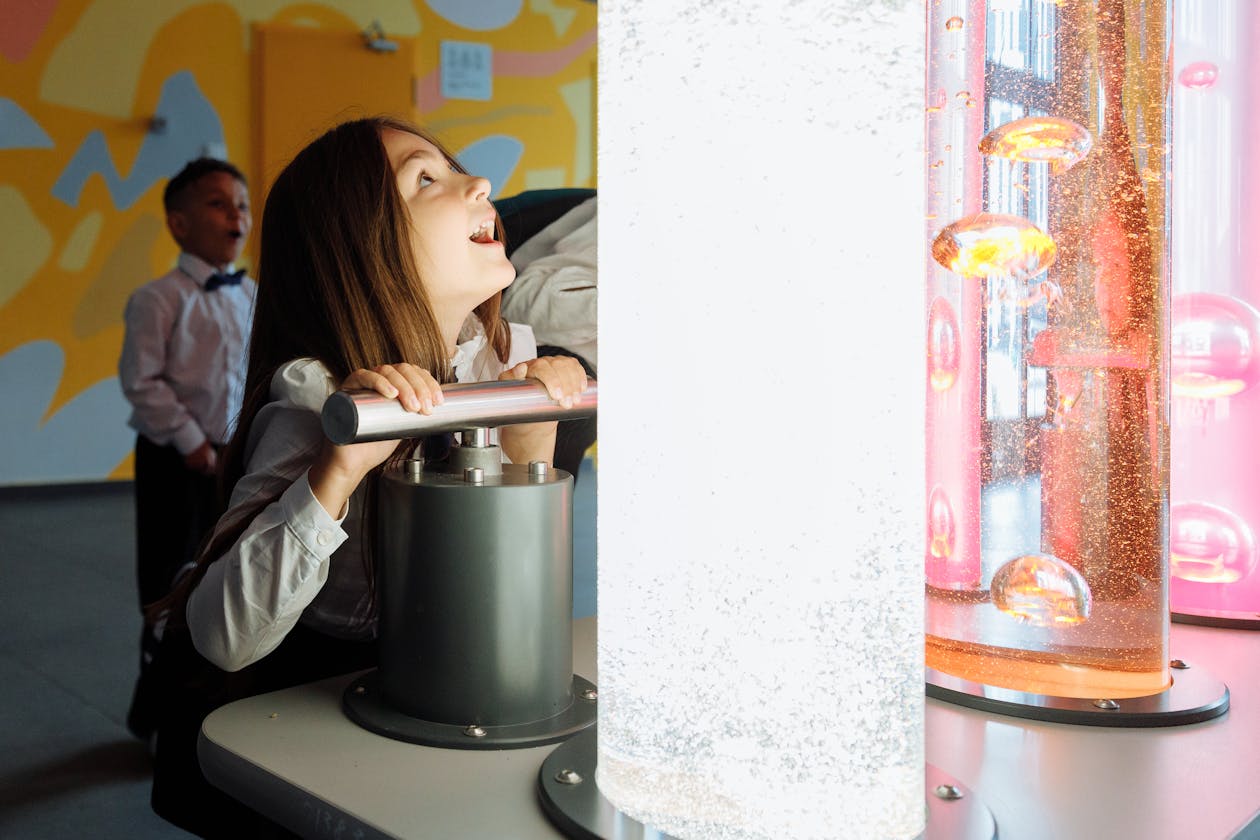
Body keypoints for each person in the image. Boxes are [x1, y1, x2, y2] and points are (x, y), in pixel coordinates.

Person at [145, 116, 587, 836]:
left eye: (453, 167)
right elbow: (222, 636)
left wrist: (532, 436)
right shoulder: (320, 404)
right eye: (426, 179)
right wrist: (342, 463)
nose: (478, 182)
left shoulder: (497, 362)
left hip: (434, 673)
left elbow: (500, 575)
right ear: (363, 249)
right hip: (310, 702)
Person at [117, 157, 254, 741]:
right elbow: (142, 381)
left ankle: (199, 711)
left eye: (243, 205)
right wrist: (195, 445)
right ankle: (157, 718)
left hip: (235, 459)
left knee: (220, 581)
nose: (237, 215)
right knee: (171, 585)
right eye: (219, 204)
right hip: (177, 461)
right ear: (178, 223)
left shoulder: (251, 292)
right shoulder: (158, 298)